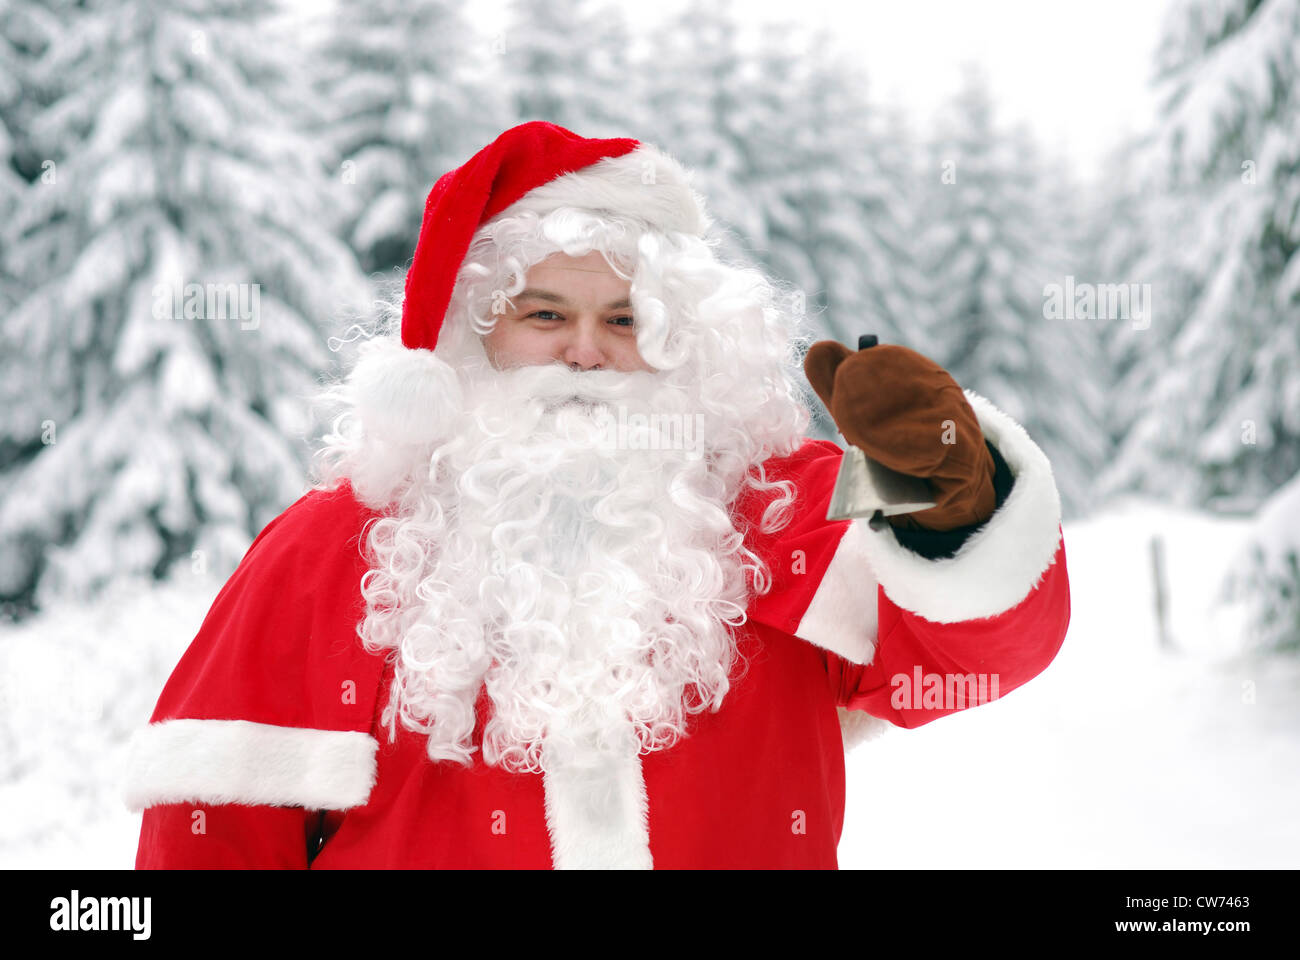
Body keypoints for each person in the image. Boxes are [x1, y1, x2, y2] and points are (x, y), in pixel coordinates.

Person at [123, 121, 1070, 869]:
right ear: (471, 337)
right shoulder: (336, 544)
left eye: (625, 318)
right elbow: (207, 837)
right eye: (545, 315)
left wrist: (954, 496)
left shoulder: (777, 510)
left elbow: (981, 648)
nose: (586, 348)